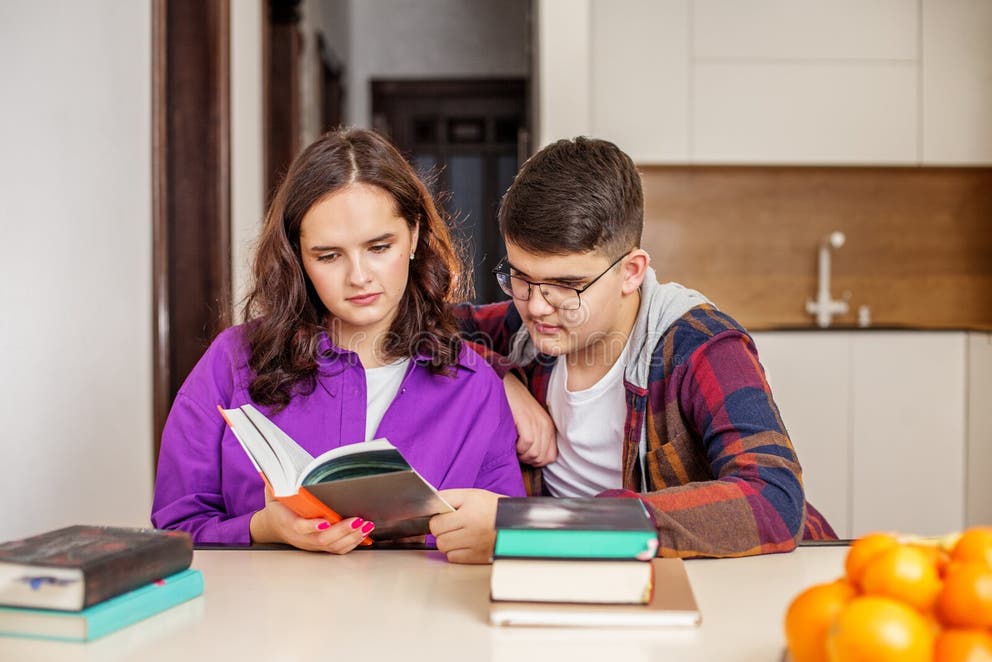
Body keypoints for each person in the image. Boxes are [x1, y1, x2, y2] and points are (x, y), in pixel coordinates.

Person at [152, 128, 525, 562]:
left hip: (422, 622)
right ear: (298, 255)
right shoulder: (233, 361)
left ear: (415, 236)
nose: (359, 277)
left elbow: (503, 533)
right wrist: (262, 527)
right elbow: (175, 528)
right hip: (265, 623)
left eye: (379, 247)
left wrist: (488, 536)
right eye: (329, 256)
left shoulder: (474, 386)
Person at [454, 136, 837, 558]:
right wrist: (504, 380)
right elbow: (430, 327)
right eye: (521, 277)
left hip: (726, 583)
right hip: (573, 566)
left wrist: (546, 525)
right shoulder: (526, 324)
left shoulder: (700, 345)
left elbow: (775, 500)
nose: (537, 306)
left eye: (567, 286)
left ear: (631, 272)